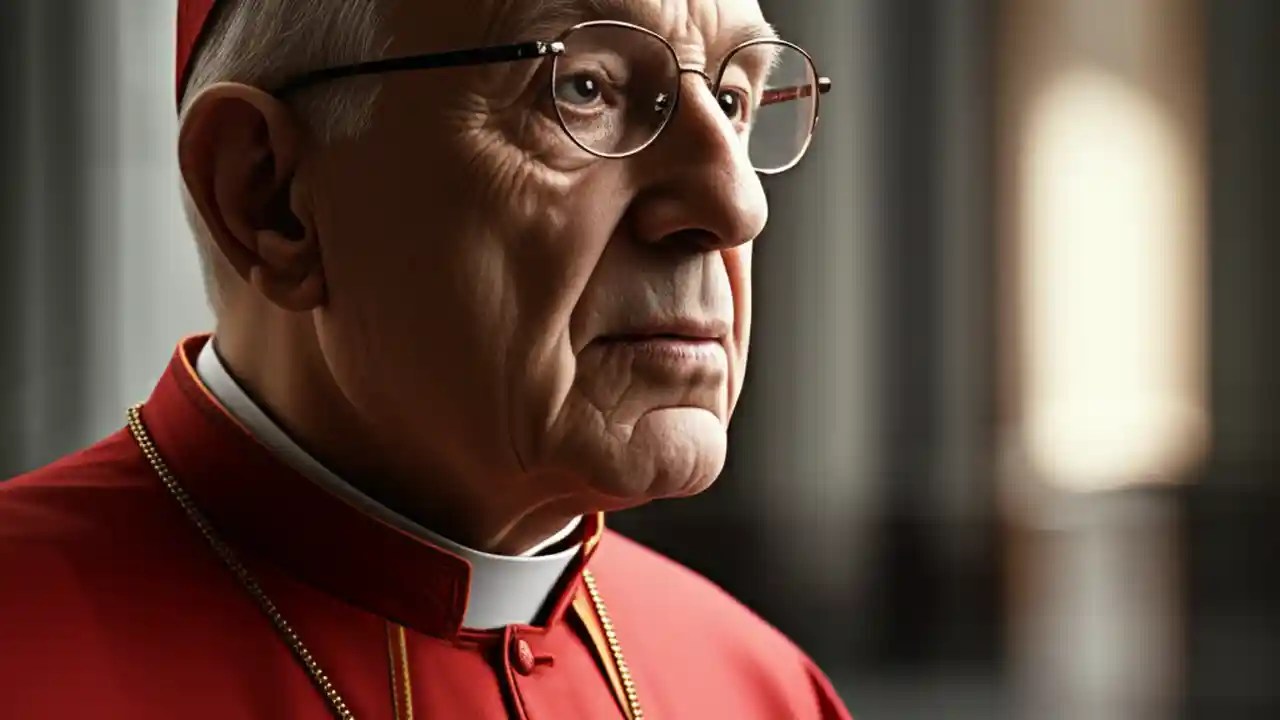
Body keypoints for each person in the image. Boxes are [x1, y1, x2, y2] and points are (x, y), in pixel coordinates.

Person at [0, 0, 850, 717]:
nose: (736, 205)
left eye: (736, 103)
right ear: (269, 198)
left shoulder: (763, 692)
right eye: (585, 88)